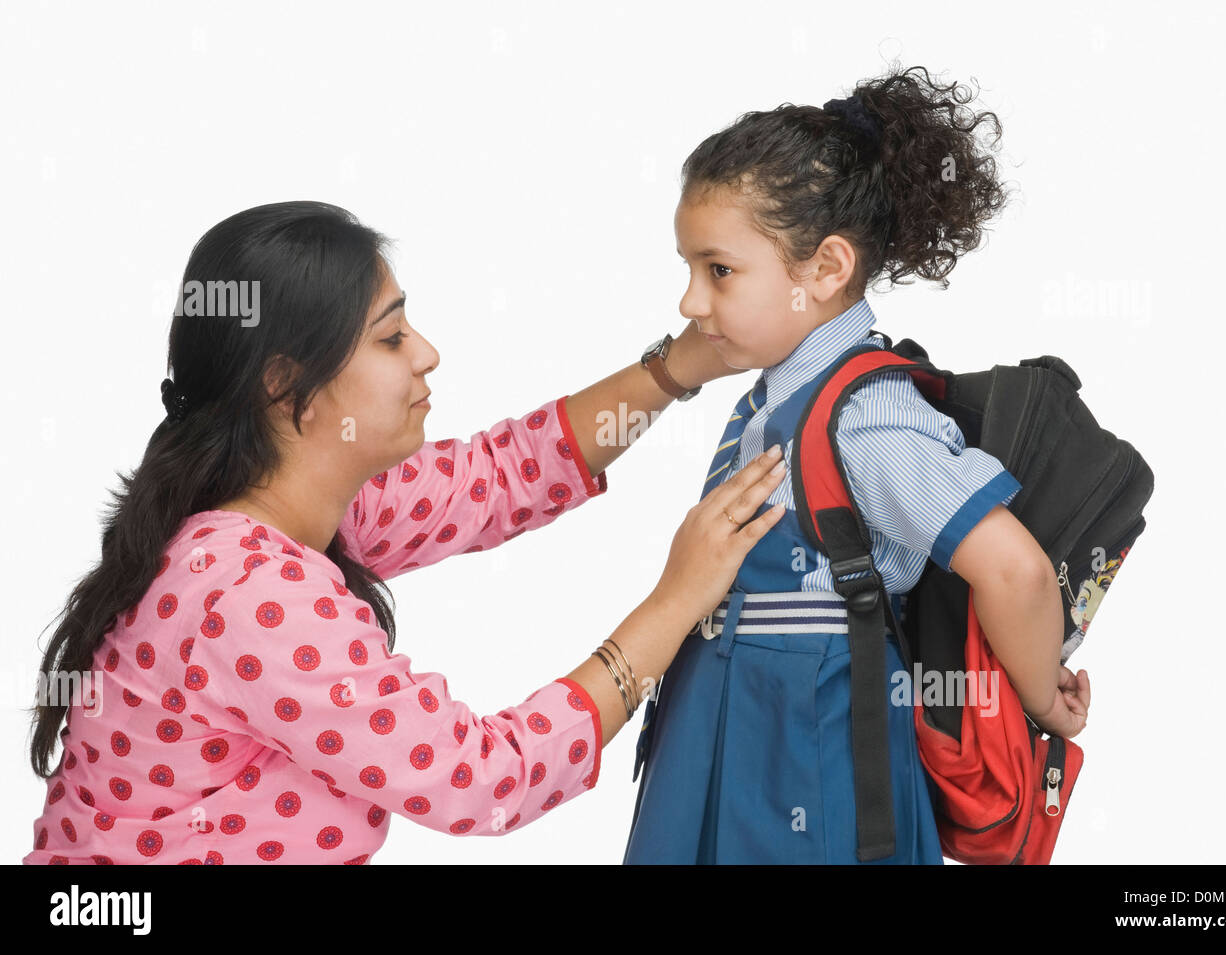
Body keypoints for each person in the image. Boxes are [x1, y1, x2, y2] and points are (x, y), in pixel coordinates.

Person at [21, 200, 789, 864]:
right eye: (391, 338)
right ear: (287, 385)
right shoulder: (251, 596)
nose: (427, 354)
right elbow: (485, 778)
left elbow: (506, 474)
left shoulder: (287, 509)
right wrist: (675, 602)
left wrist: (680, 364)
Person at [624, 65, 1091, 865]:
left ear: (827, 270)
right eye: (689, 270)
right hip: (742, 742)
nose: (690, 303)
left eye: (719, 270)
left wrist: (1040, 691)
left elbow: (1015, 570)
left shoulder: (865, 416)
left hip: (807, 765)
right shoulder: (776, 399)